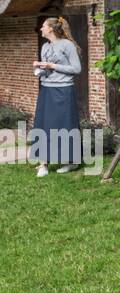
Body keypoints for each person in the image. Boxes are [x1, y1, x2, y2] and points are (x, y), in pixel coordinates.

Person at [31, 16, 83, 176]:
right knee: (43, 125)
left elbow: (76, 69)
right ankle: (43, 164)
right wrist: (39, 70)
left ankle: (71, 162)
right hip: (46, 91)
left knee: (65, 126)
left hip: (63, 91)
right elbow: (47, 70)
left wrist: (52, 65)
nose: (41, 29)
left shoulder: (67, 45)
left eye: (43, 26)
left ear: (51, 29)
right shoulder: (45, 46)